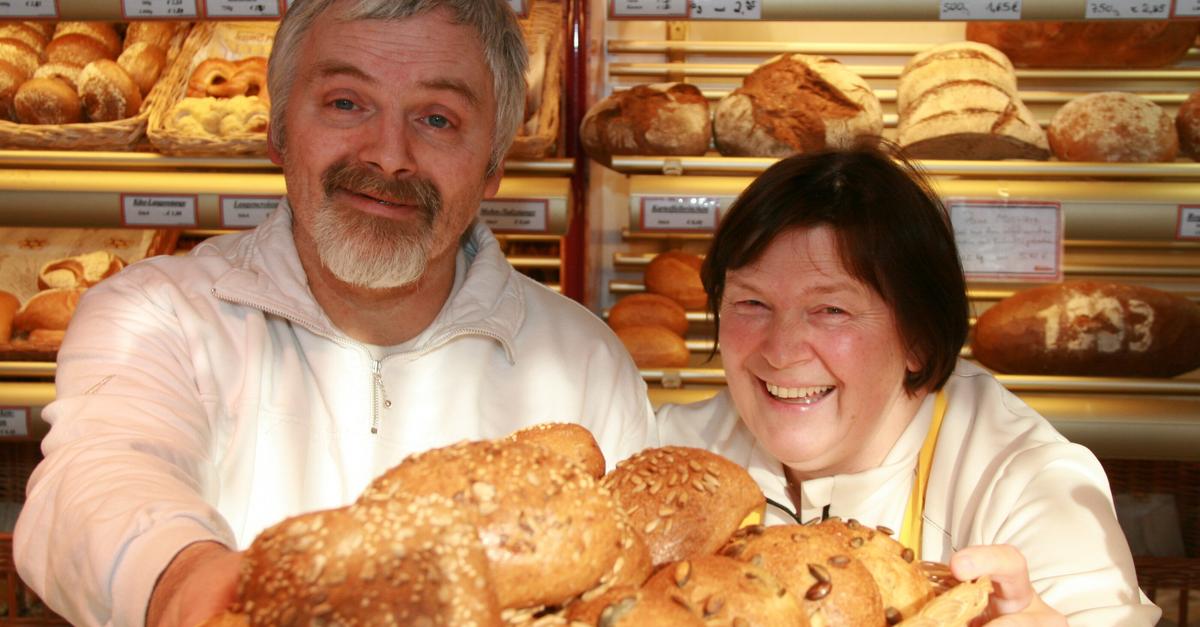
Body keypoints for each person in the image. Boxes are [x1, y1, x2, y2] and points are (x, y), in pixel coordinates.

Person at [13, 2, 657, 625]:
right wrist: (180, 581)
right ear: (278, 130)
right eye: (347, 103)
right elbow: (97, 475)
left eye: (437, 118)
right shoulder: (158, 316)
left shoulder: (586, 365)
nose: (388, 154)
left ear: (492, 164)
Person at [656, 144, 1160, 625]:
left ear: (918, 335)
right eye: (751, 304)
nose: (781, 350)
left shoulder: (1027, 481)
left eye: (832, 310)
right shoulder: (673, 453)